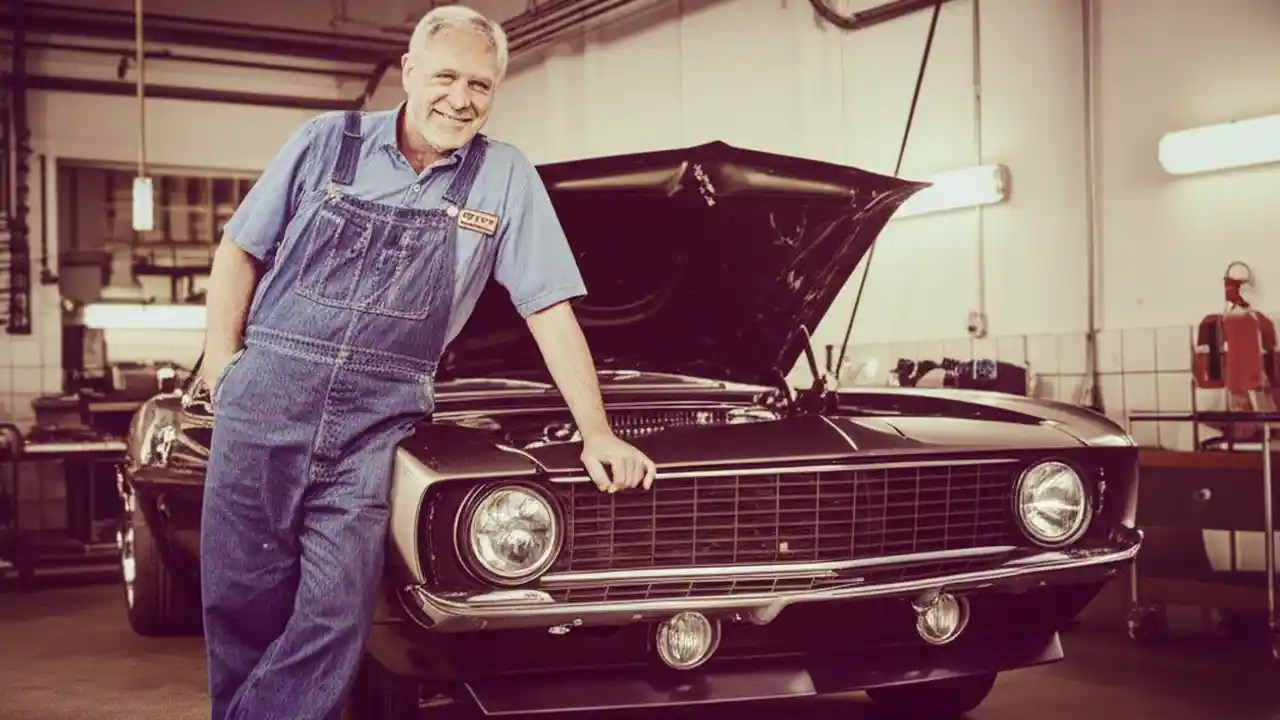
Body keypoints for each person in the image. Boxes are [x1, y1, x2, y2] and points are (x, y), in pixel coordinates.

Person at [197, 6, 656, 719]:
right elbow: (240, 249)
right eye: (446, 76)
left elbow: (548, 307)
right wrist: (222, 365)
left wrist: (595, 429)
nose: (461, 98)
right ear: (409, 72)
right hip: (266, 395)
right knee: (242, 598)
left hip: (375, 423)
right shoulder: (326, 142)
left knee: (337, 611)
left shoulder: (502, 174)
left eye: (482, 84)